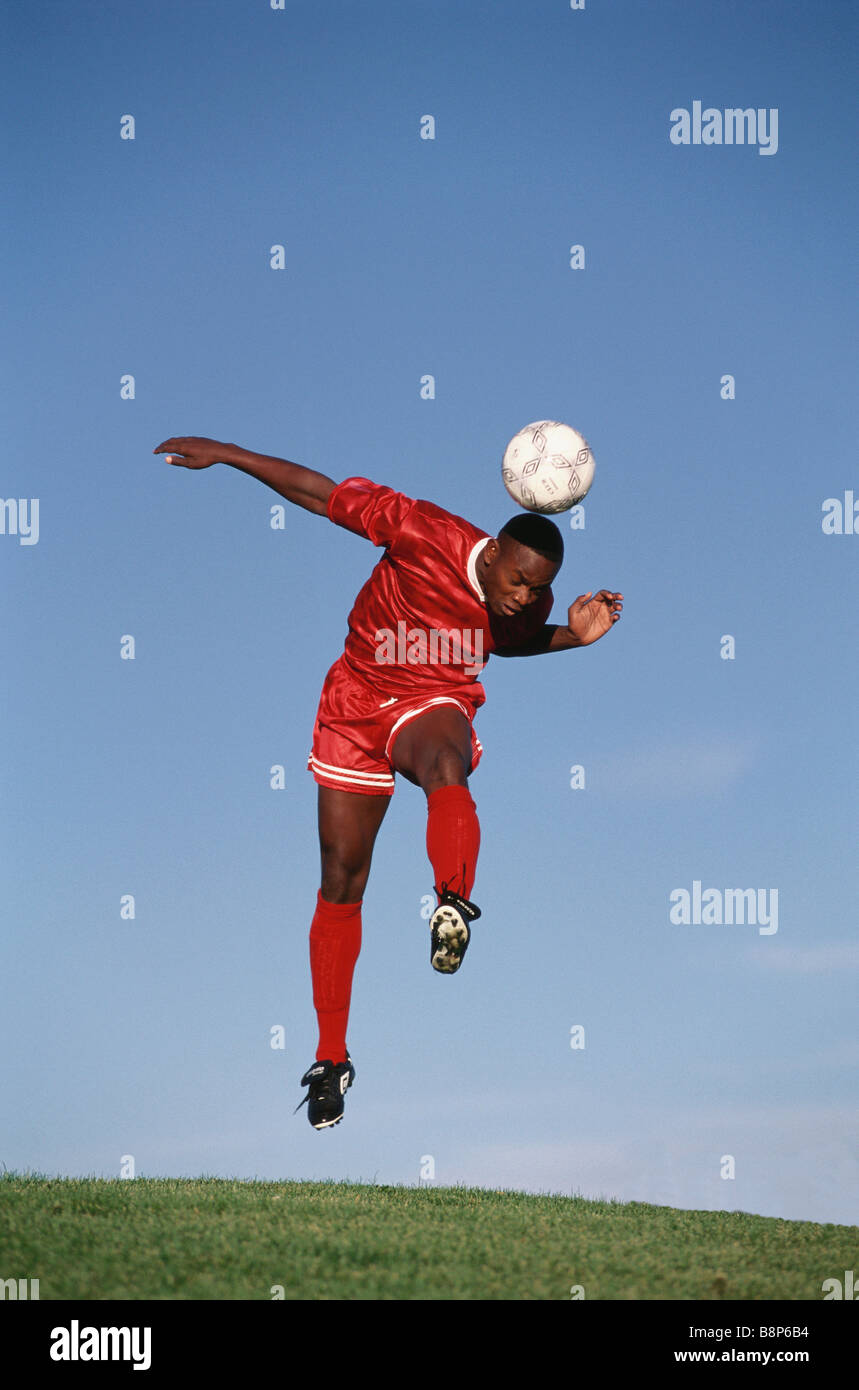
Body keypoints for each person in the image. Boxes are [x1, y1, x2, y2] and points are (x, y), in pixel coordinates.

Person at [153, 436, 623, 1129]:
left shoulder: (524, 596)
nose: (526, 597)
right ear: (490, 554)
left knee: (445, 766)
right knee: (342, 881)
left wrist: (571, 636)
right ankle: (330, 1061)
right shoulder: (417, 528)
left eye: (537, 591)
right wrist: (227, 456)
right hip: (353, 705)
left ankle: (452, 904)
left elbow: (506, 636)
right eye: (518, 583)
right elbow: (319, 492)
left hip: (433, 700)